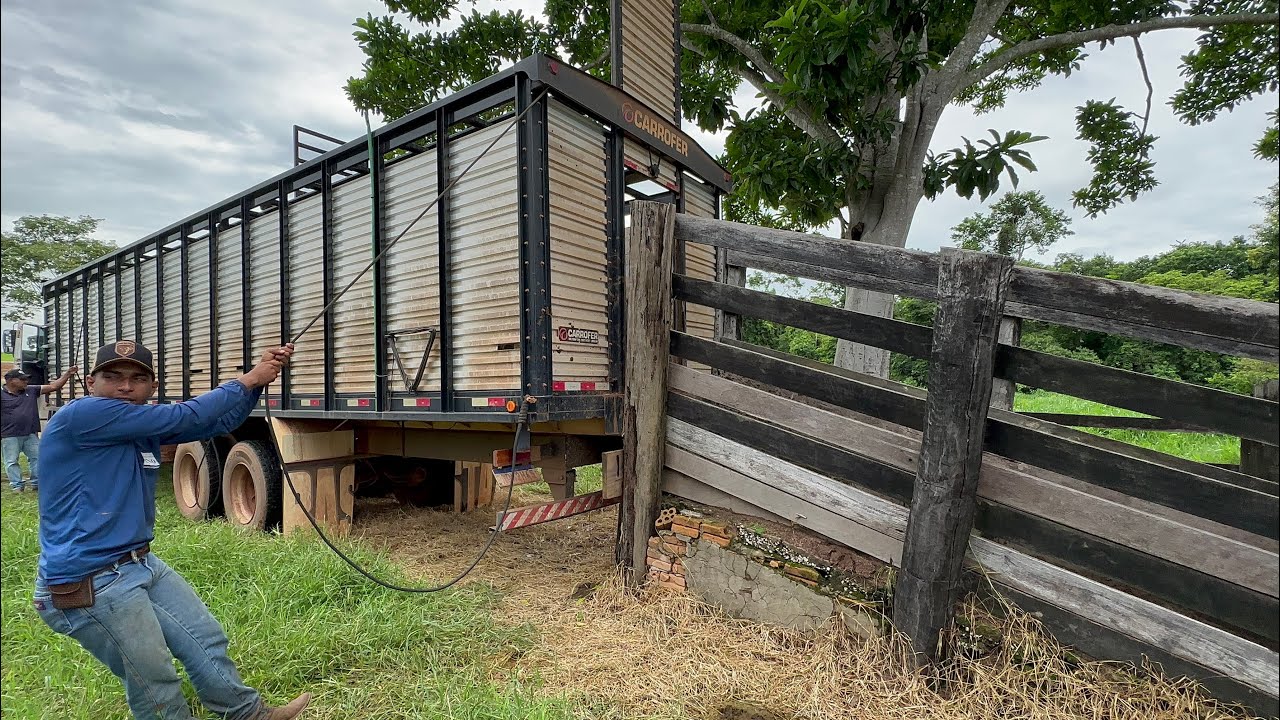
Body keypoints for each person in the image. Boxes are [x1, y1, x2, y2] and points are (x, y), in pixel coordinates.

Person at [32, 339, 310, 720]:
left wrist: (258, 384)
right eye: (112, 377)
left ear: (153, 387)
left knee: (204, 638)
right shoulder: (82, 416)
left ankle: (248, 714)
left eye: (137, 379)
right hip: (88, 580)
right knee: (154, 680)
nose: (125, 386)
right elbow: (186, 415)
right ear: (90, 383)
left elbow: (216, 422)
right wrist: (248, 378)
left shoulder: (136, 426)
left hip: (137, 563)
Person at [3, 364, 77, 492]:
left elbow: (54, 386)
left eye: (26, 379)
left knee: (37, 457)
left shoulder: (31, 390)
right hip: (9, 434)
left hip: (30, 433)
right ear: (11, 381)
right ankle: (17, 486)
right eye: (22, 379)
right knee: (11, 461)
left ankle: (37, 483)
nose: (26, 381)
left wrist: (68, 374)